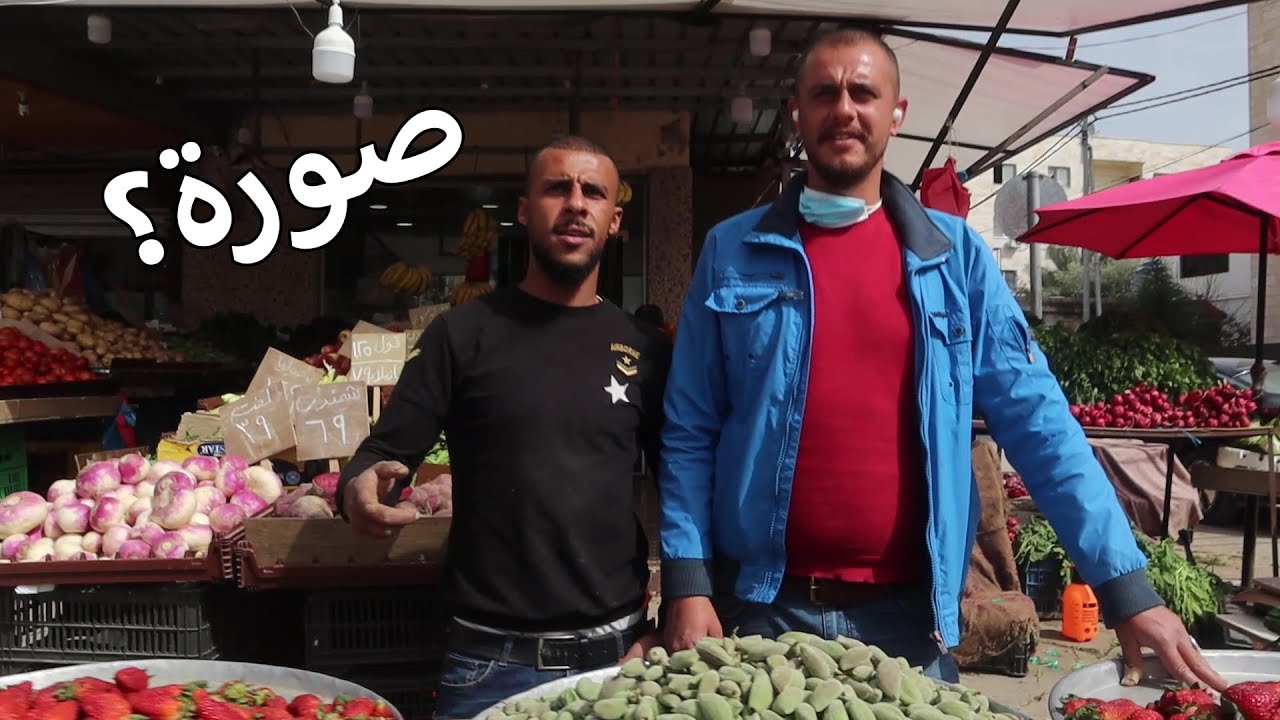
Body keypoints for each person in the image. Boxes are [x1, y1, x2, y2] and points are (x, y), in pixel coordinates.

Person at [655, 26, 1228, 691]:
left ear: (896, 115)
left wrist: (1128, 588)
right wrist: (687, 583)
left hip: (907, 624)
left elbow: (1039, 424)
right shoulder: (733, 252)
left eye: (864, 92)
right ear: (797, 113)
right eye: (824, 92)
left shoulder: (954, 259)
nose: (844, 108)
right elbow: (690, 428)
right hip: (761, 611)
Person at [335, 134, 673, 720]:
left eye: (593, 192)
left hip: (619, 663)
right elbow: (385, 451)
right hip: (488, 664)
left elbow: (685, 485)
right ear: (524, 211)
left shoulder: (645, 348)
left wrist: (672, 616)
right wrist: (360, 488)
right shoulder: (461, 335)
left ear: (614, 220)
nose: (575, 202)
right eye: (556, 188)